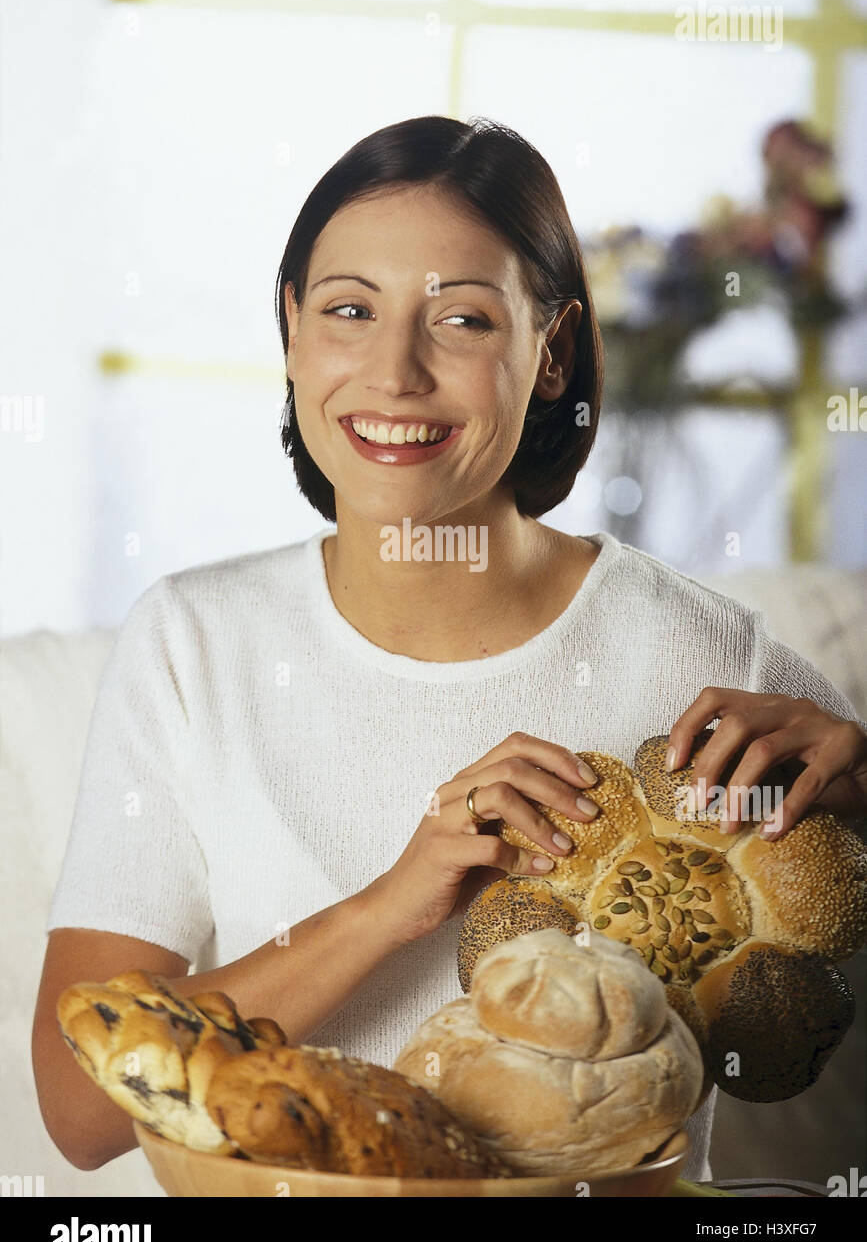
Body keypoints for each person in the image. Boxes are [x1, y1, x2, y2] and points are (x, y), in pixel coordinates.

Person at [33, 115, 867, 1179]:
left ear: (552, 349)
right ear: (291, 332)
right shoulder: (194, 643)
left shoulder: (707, 651)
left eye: (463, 320)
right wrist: (392, 905)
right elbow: (80, 1105)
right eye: (347, 311)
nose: (395, 374)